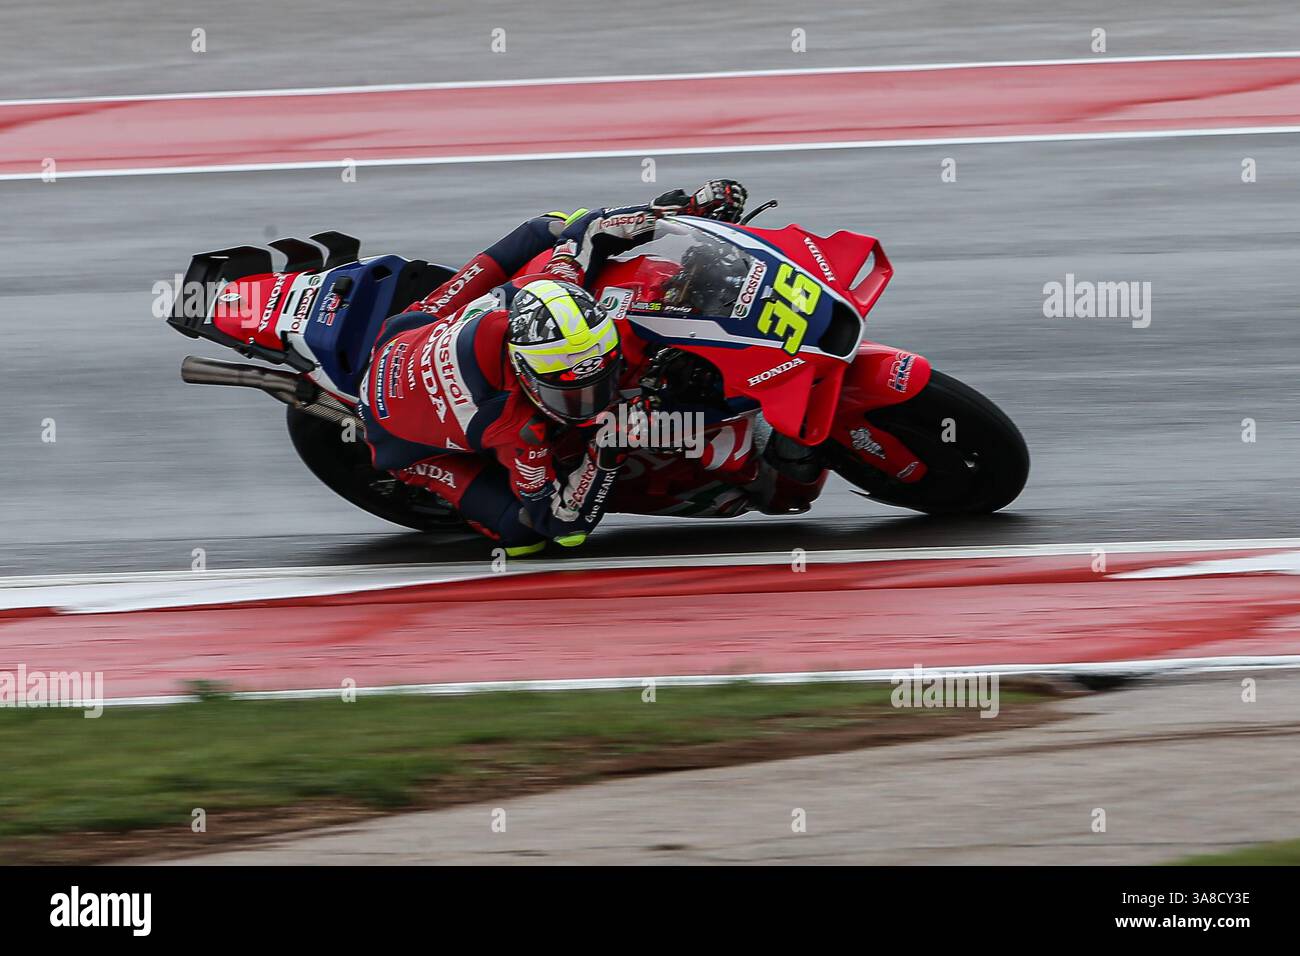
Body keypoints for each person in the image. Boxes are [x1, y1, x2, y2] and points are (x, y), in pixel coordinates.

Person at [357, 180, 748, 556]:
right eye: (572, 393)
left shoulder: (549, 285)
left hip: (412, 327)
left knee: (546, 229)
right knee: (525, 534)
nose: (594, 399)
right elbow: (565, 526)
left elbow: (587, 227)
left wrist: (679, 213)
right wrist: (607, 450)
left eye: (600, 381)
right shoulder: (516, 430)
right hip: (393, 430)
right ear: (526, 375)